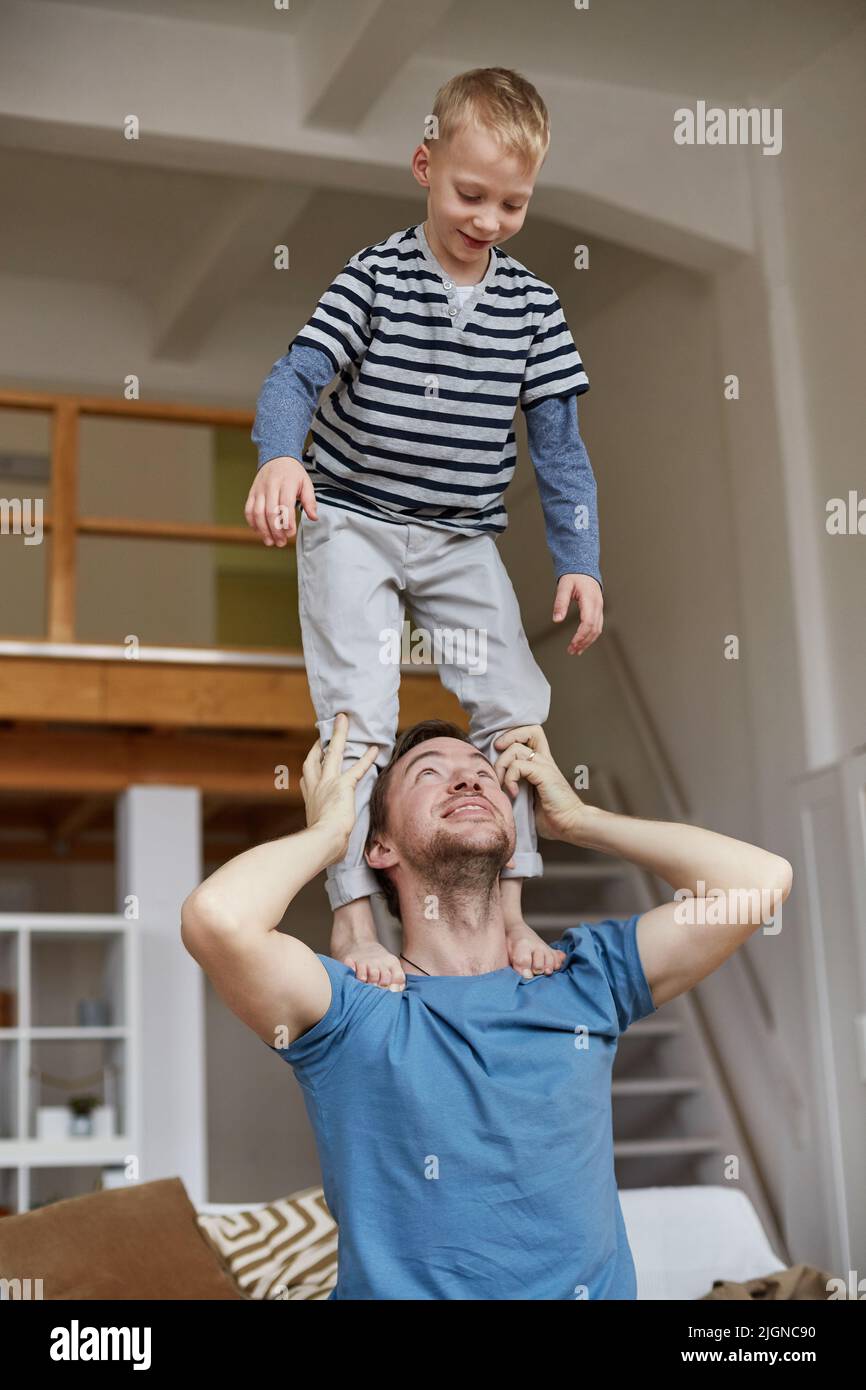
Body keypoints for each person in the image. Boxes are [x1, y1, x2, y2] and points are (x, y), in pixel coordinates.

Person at [180, 713, 793, 1301]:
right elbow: (218, 919)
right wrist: (327, 837)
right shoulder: (352, 1010)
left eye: (480, 770)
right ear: (380, 847)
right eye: (428, 773)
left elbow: (761, 882)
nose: (469, 778)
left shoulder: (583, 981)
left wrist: (579, 820)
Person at [244, 66, 604, 990]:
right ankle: (356, 922)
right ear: (423, 165)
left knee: (516, 706)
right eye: (469, 193)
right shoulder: (376, 275)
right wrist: (281, 458)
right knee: (360, 716)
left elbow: (559, 447)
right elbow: (293, 378)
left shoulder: (535, 309)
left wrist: (580, 561)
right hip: (352, 517)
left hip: (459, 534)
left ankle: (516, 910)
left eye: (512, 205)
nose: (487, 220)